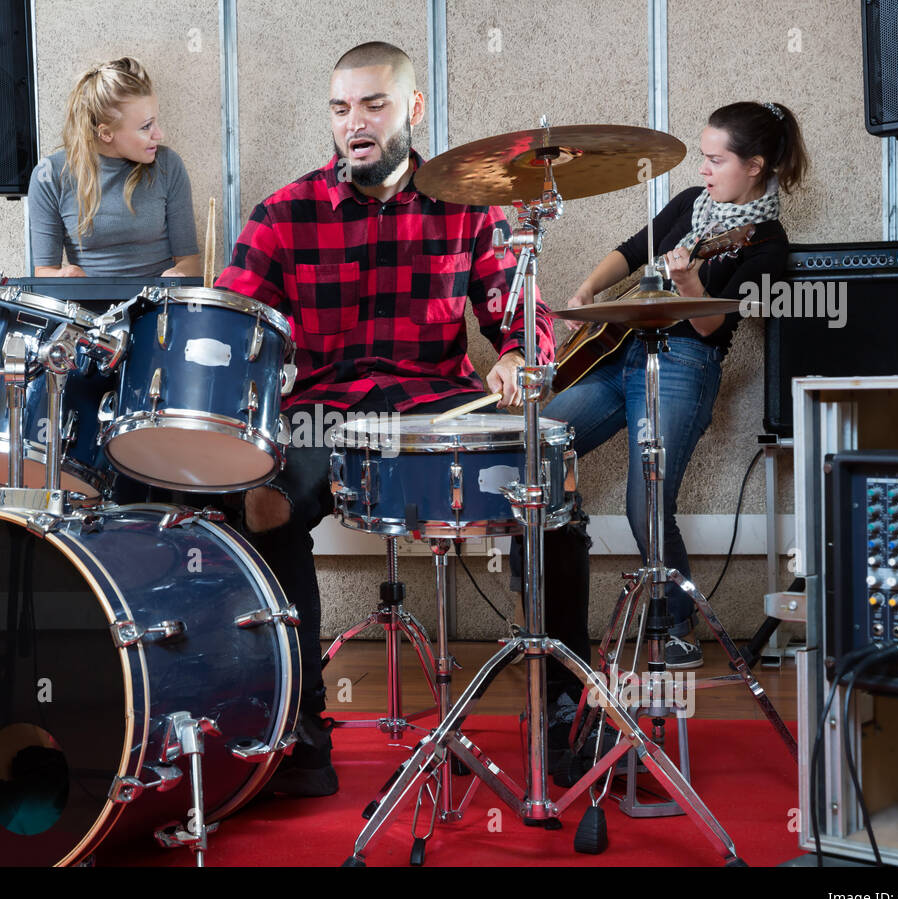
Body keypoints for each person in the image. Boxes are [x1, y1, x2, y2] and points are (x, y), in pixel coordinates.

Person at [216, 41, 556, 797]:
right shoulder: (282, 213)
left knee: (548, 503)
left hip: (433, 409)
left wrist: (516, 353)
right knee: (258, 504)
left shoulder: (472, 205)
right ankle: (299, 728)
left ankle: (559, 716)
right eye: (341, 109)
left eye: (372, 104)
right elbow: (233, 330)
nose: (355, 124)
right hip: (321, 414)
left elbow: (522, 315)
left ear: (413, 108)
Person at [532, 101, 809, 677]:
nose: (704, 169)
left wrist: (685, 277)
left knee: (647, 502)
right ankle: (544, 600)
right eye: (703, 158)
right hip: (622, 351)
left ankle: (676, 624)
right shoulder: (690, 204)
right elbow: (634, 250)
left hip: (686, 361)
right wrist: (585, 292)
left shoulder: (768, 243)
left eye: (715, 159)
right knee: (539, 446)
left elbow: (713, 325)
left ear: (754, 165)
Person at [27, 56, 200, 278]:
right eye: (146, 126)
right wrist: (64, 275)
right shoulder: (50, 174)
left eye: (155, 122)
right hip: (86, 311)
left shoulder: (168, 165)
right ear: (106, 132)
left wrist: (178, 275)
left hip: (158, 308)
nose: (159, 135)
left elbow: (190, 262)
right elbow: (43, 272)